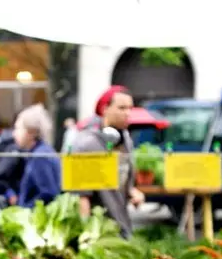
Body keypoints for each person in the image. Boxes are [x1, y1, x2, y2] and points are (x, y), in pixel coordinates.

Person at [71, 85, 144, 237]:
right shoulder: (86, 144)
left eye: (130, 108)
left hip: (123, 225)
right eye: (122, 108)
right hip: (99, 232)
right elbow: (81, 196)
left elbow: (122, 181)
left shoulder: (126, 140)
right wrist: (86, 236)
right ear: (105, 109)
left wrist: (133, 192)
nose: (128, 113)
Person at [11, 105, 61, 208]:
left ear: (31, 132)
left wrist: (24, 211)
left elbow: (48, 194)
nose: (14, 133)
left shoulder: (40, 157)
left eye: (18, 128)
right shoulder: (40, 152)